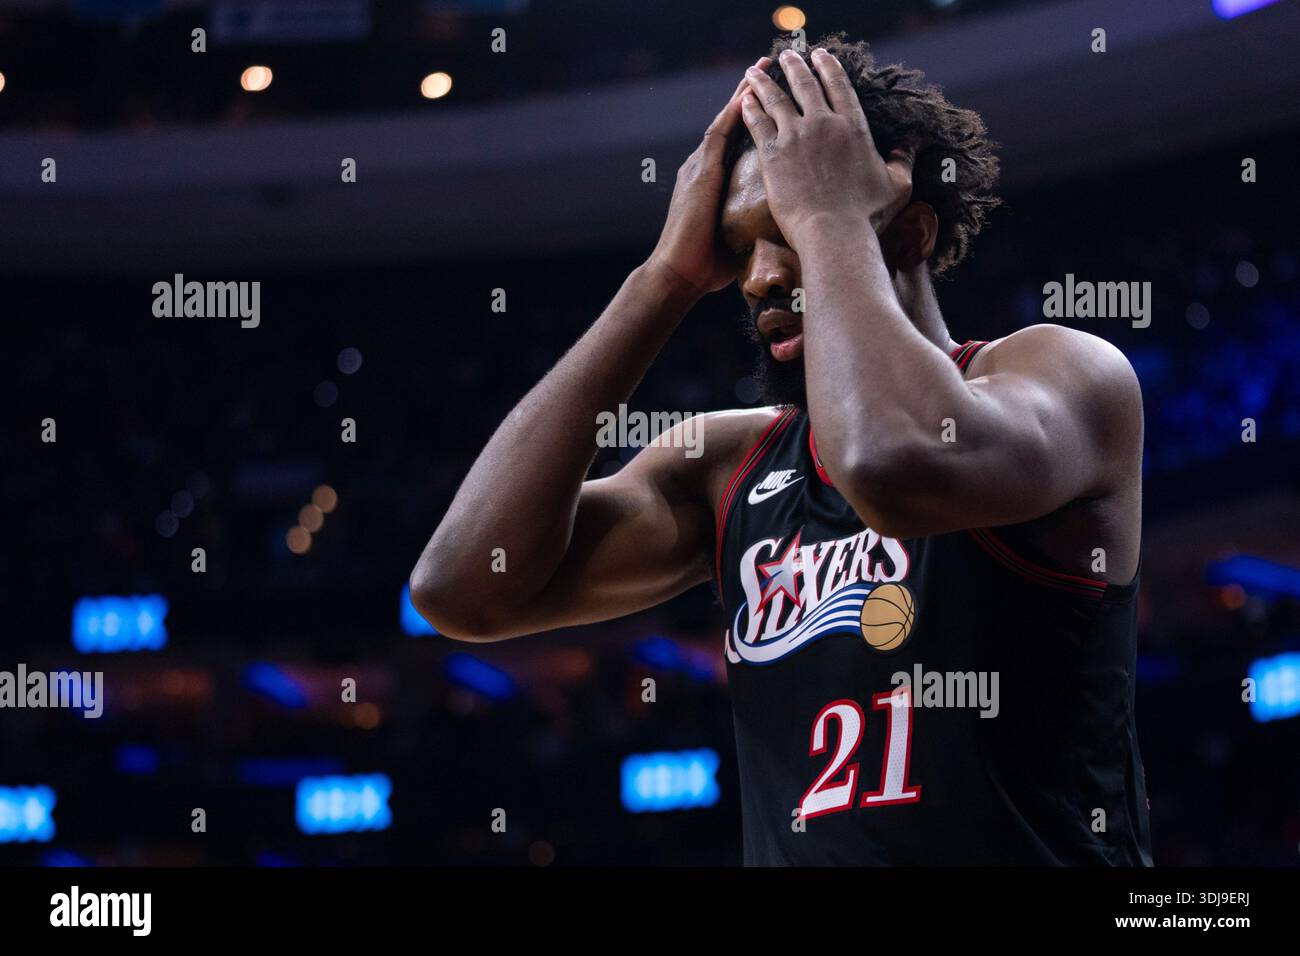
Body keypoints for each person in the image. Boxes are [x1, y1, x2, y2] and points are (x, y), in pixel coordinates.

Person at [411, 35, 1152, 865]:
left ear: (907, 236)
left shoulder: (1062, 373)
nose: (759, 277)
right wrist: (664, 278)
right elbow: (465, 590)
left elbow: (889, 467)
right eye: (739, 246)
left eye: (788, 230)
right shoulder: (725, 467)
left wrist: (830, 214)